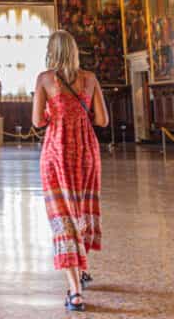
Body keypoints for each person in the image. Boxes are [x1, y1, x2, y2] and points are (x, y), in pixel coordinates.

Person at [32, 30, 109, 313]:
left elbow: (38, 121)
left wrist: (56, 113)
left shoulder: (45, 79)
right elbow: (102, 120)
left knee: (62, 216)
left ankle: (75, 291)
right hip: (87, 150)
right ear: (75, 50)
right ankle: (81, 267)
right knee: (82, 211)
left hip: (57, 151)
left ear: (51, 51)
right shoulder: (90, 79)